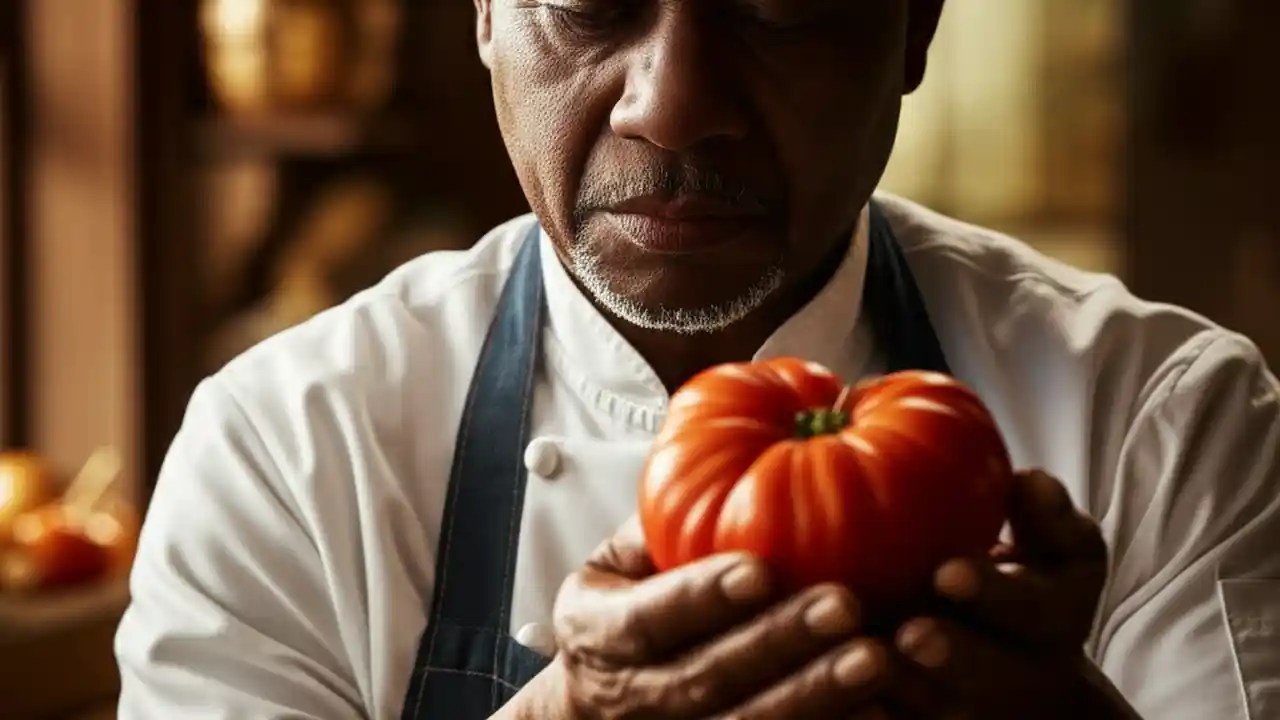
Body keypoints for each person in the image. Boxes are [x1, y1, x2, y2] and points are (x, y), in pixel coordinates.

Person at [115, 1, 1280, 718]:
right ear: (483, 12)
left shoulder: (1159, 418)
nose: (671, 107)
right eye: (586, 1)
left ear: (914, 26)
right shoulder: (285, 447)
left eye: (773, 12)